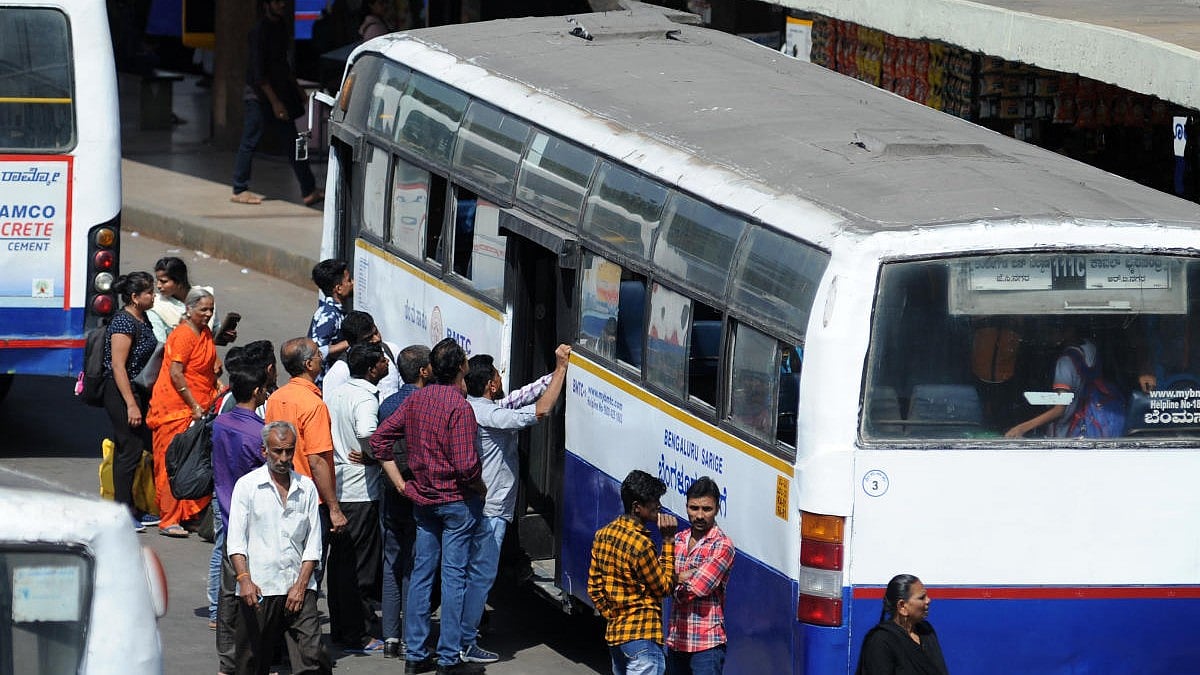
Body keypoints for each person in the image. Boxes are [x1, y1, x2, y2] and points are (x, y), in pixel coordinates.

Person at [369, 338, 486, 675]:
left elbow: (379, 442)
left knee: (421, 574)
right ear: (462, 367)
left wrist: (401, 483)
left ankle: (416, 654)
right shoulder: (460, 408)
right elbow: (466, 466)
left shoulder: (418, 399)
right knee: (453, 578)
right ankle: (449, 658)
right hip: (456, 502)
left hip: (424, 500)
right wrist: (480, 487)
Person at [458, 345, 572, 663]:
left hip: (487, 509)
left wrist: (557, 371)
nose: (501, 379)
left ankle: (463, 634)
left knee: (472, 574)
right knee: (480, 576)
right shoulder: (490, 415)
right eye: (498, 375)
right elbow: (540, 411)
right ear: (491, 384)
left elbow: (524, 394)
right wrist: (561, 371)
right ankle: (465, 641)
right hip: (489, 512)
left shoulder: (481, 406)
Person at [227, 421, 330, 675]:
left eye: (288, 451)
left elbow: (313, 543)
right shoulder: (247, 486)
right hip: (260, 589)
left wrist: (301, 585)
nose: (283, 458)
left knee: (311, 656)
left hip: (299, 587)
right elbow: (236, 541)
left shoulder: (305, 488)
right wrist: (244, 580)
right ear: (264, 451)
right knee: (251, 660)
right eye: (277, 451)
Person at [325, 342, 391, 654]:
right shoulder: (365, 397)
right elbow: (367, 433)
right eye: (382, 361)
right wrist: (377, 458)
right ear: (371, 368)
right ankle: (359, 632)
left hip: (338, 486)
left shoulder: (337, 392)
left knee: (340, 563)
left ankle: (341, 627)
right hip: (359, 491)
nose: (387, 365)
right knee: (361, 568)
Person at [231, 0, 323, 207]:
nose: (282, 5)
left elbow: (283, 64)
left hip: (278, 95)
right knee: (250, 141)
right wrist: (275, 103)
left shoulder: (280, 27)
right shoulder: (259, 32)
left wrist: (297, 88)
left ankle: (309, 189)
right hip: (259, 97)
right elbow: (258, 74)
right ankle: (239, 188)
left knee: (292, 142)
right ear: (267, 4)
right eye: (277, 1)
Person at [146, 287, 221, 538]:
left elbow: (210, 366)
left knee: (194, 461)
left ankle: (188, 515)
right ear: (189, 310)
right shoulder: (183, 336)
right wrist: (194, 405)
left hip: (199, 408)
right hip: (175, 410)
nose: (208, 314)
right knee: (173, 462)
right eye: (203, 310)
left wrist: (216, 385)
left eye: (210, 309)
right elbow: (177, 373)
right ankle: (168, 518)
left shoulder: (205, 332)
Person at [588, 469, 678, 675]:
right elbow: (664, 587)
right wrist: (668, 541)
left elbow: (594, 588)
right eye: (654, 501)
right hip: (643, 637)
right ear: (637, 507)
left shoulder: (603, 535)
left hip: (616, 637)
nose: (659, 506)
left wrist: (615, 615)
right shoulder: (642, 545)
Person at [210, 362, 269, 673]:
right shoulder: (258, 432)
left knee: (227, 594)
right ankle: (248, 655)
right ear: (257, 391)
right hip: (253, 523)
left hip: (226, 512)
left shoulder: (221, 424)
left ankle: (227, 658)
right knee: (251, 592)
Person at [375, 343, 431, 659]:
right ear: (424, 371)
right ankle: (412, 638)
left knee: (392, 562)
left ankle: (390, 639)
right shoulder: (426, 403)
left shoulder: (388, 404)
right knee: (415, 564)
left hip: (392, 490)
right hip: (419, 491)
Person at [264, 337, 346, 535]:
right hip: (309, 499)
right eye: (318, 354)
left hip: (278, 491)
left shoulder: (276, 397)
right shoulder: (314, 405)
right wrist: (334, 508)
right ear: (308, 364)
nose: (321, 357)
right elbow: (317, 460)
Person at [101, 271, 160, 532]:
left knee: (137, 450)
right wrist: (131, 404)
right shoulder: (124, 323)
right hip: (121, 392)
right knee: (129, 450)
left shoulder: (142, 317)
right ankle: (122, 511)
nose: (154, 296)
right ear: (135, 297)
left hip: (137, 391)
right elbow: (118, 366)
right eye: (149, 292)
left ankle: (134, 506)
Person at [665, 477, 735, 675]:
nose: (699, 515)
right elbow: (658, 578)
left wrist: (672, 581)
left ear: (717, 509)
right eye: (694, 508)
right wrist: (680, 578)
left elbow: (698, 588)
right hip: (676, 640)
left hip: (706, 645)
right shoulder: (677, 539)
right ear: (686, 507)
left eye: (707, 509)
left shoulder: (722, 545)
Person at [1005, 320, 1102, 438]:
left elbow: (1059, 409)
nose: (1047, 336)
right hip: (1088, 424)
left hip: (1064, 431)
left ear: (1069, 332)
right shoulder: (1091, 348)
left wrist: (1021, 428)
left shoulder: (1065, 363)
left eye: (1051, 332)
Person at [855, 574, 948, 675]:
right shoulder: (880, 641)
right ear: (902, 606)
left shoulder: (926, 631)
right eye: (922, 598)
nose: (928, 600)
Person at [147, 256, 236, 345]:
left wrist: (225, 335)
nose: (158, 285)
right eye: (157, 281)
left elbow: (213, 330)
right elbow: (161, 345)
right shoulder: (157, 306)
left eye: (163, 281)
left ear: (179, 281)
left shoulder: (205, 297)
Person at [322, 310, 402, 399]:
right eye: (368, 338)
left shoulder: (391, 350)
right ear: (352, 343)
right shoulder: (339, 372)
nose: (377, 339)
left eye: (376, 332)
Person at [309, 259, 354, 385]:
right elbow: (318, 352)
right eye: (349, 280)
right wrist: (351, 341)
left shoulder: (337, 311)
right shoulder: (328, 316)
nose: (352, 283)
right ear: (338, 288)